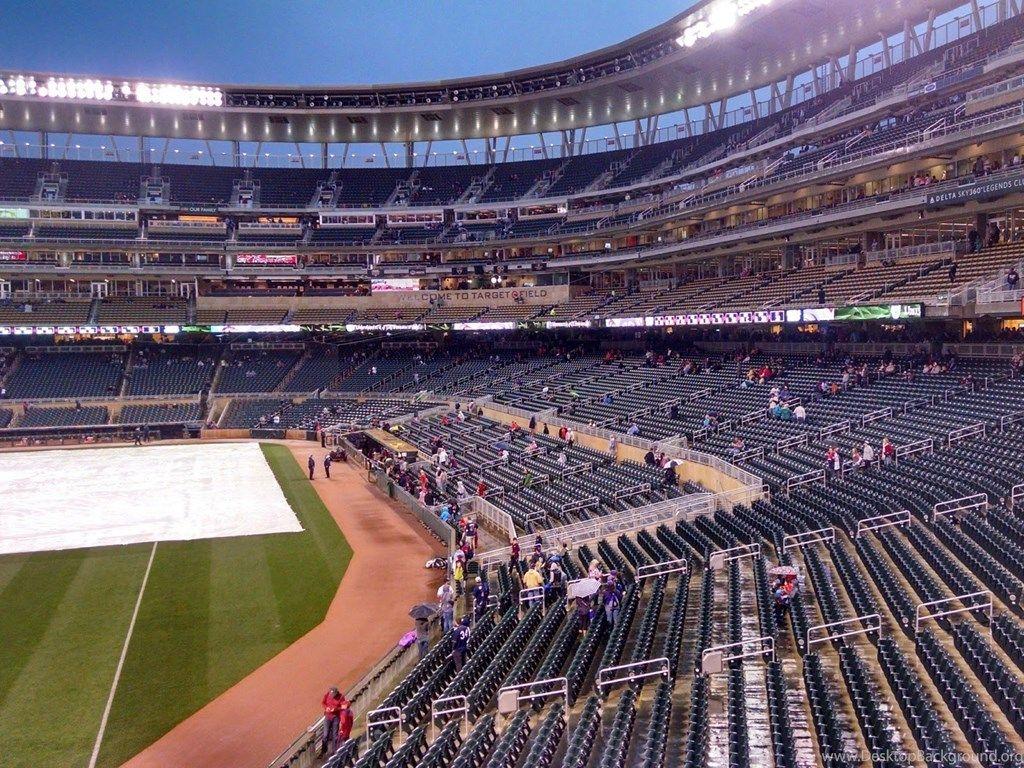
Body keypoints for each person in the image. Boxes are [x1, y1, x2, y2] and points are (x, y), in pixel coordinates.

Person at [321, 687, 345, 754]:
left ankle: (334, 751)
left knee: (335, 735)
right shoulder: (327, 695)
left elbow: (343, 707)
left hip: (336, 717)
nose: (332, 696)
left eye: (333, 694)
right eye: (331, 694)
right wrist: (326, 708)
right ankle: (324, 750)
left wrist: (335, 709)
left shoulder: (341, 697)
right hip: (328, 716)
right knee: (325, 734)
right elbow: (323, 703)